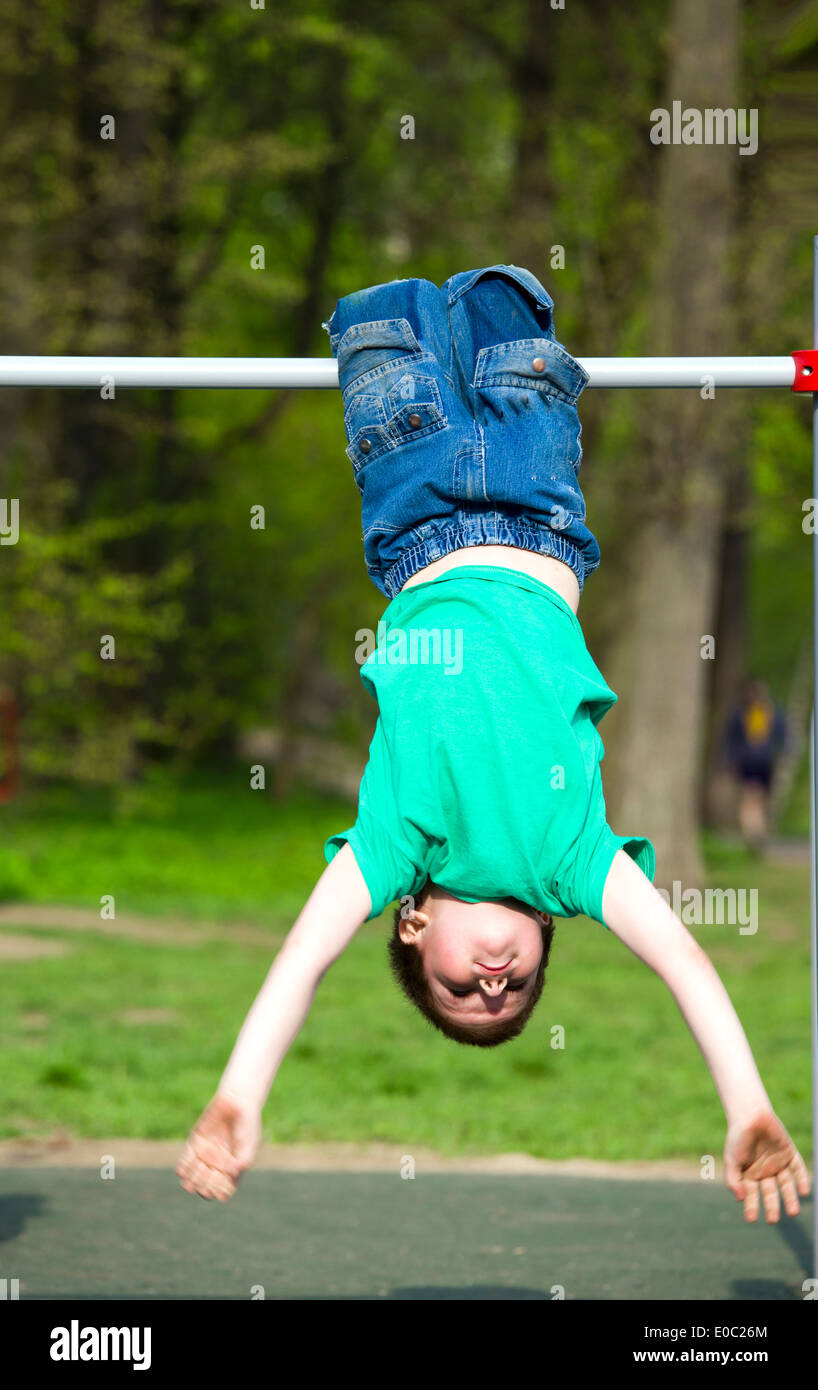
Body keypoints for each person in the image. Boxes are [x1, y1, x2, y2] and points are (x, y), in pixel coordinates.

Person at [177, 266, 809, 1224]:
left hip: (416, 509)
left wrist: (238, 1096)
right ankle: (497, 294)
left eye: (463, 994)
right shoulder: (572, 865)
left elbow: (300, 960)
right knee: (503, 303)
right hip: (535, 499)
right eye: (512, 1000)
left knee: (384, 321)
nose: (494, 987)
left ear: (414, 929)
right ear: (546, 939)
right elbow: (685, 962)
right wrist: (748, 1103)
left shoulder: (394, 850)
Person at [725, 679, 788, 850]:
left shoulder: (770, 713)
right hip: (752, 762)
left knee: (756, 799)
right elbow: (732, 740)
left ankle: (755, 832)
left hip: (762, 761)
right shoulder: (743, 715)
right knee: (752, 798)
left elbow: (783, 737)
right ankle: (754, 834)